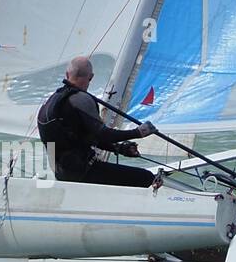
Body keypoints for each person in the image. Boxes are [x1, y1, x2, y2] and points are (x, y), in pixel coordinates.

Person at [37, 56, 158, 187]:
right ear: (91, 77)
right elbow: (104, 134)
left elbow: (85, 137)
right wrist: (138, 132)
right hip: (83, 172)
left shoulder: (50, 102)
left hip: (61, 173)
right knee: (147, 178)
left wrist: (118, 148)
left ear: (67, 74)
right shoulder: (81, 100)